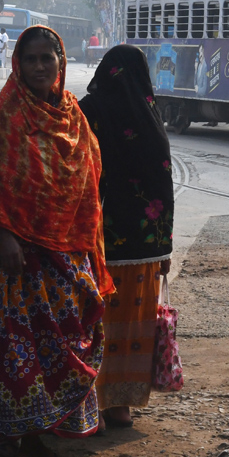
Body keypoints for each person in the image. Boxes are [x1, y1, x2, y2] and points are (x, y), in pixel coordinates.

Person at [0, 25, 113, 457]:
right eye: (29, 59)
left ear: (60, 61)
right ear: (18, 62)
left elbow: (90, 178)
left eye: (45, 59)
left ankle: (25, 437)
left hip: (68, 250)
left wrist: (87, 244)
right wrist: (7, 236)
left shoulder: (74, 113)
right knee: (20, 347)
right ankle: (29, 444)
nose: (38, 67)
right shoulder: (3, 113)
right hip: (19, 256)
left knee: (68, 339)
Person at [78, 44, 174, 430]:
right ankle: (120, 405)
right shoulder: (149, 113)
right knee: (134, 327)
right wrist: (165, 245)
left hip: (97, 240)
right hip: (145, 245)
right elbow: (162, 184)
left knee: (93, 323)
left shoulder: (89, 109)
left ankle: (89, 403)